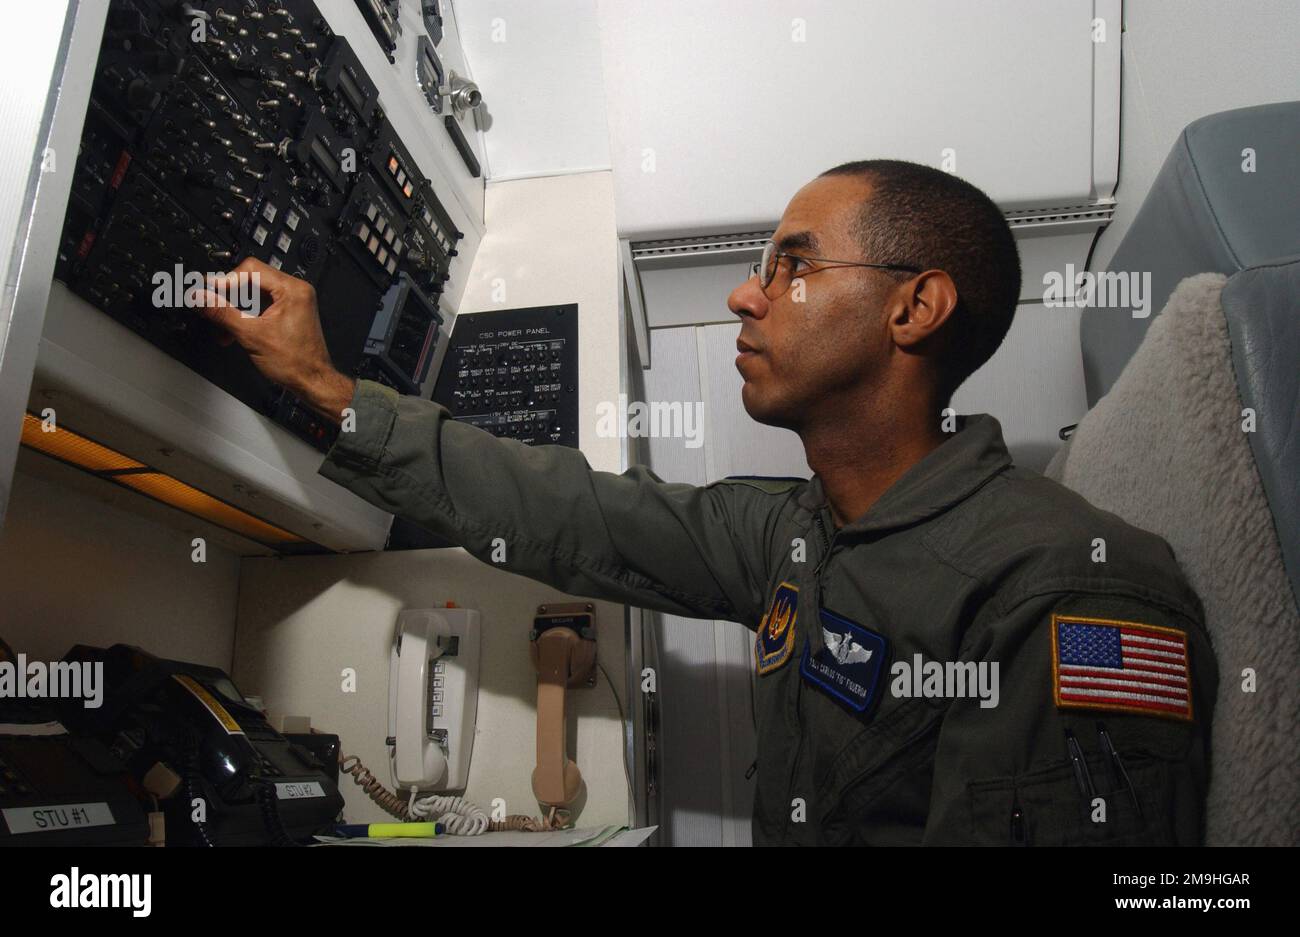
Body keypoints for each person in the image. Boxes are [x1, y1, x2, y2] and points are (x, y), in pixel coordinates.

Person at [197, 160, 1216, 845]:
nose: (745, 293)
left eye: (792, 264)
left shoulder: (1065, 590)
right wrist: (332, 395)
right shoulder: (800, 533)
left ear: (914, 306)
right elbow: (580, 516)